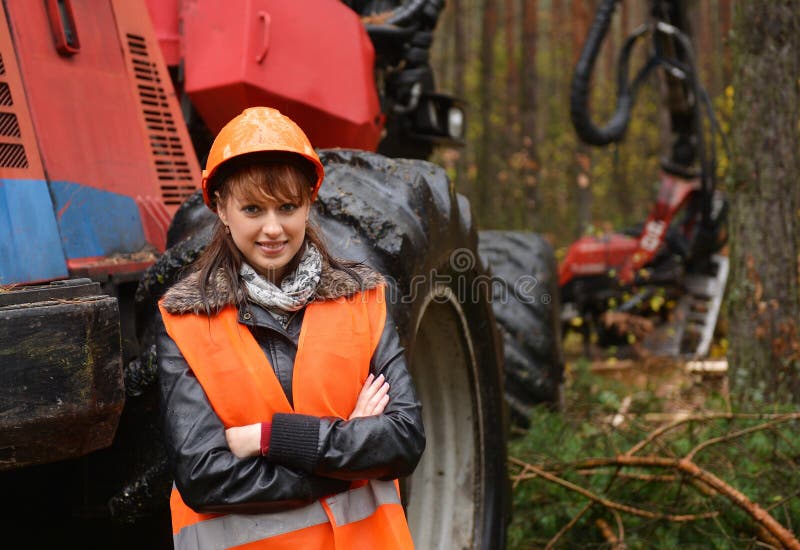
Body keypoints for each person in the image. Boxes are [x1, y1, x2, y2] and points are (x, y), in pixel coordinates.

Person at [156, 106, 425, 549]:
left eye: (287, 207)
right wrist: (348, 460)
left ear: (308, 203)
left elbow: (403, 440)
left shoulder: (362, 300)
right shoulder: (184, 322)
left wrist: (267, 438)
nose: (273, 228)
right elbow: (205, 477)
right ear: (221, 208)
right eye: (252, 209)